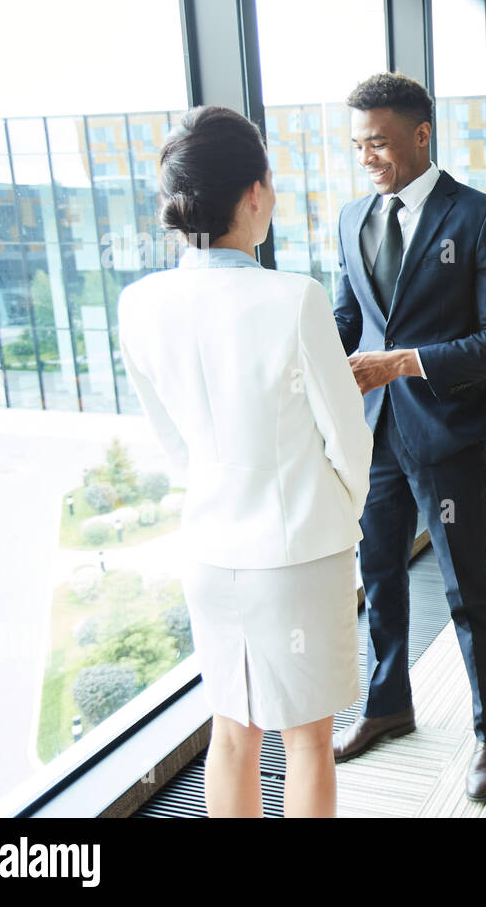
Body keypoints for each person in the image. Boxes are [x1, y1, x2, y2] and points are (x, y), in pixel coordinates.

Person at [118, 106, 373, 817]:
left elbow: (171, 441)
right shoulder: (293, 297)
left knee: (231, 734)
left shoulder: (137, 304)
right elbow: (347, 438)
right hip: (298, 552)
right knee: (308, 740)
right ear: (254, 193)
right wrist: (335, 512)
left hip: (208, 547)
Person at [329, 72, 486, 801]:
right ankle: (389, 704)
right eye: (357, 145)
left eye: (377, 142)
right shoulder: (352, 217)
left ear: (421, 134)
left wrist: (406, 362)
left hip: (445, 434)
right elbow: (348, 325)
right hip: (373, 436)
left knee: (464, 583)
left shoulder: (480, 217)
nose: (367, 157)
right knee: (377, 574)